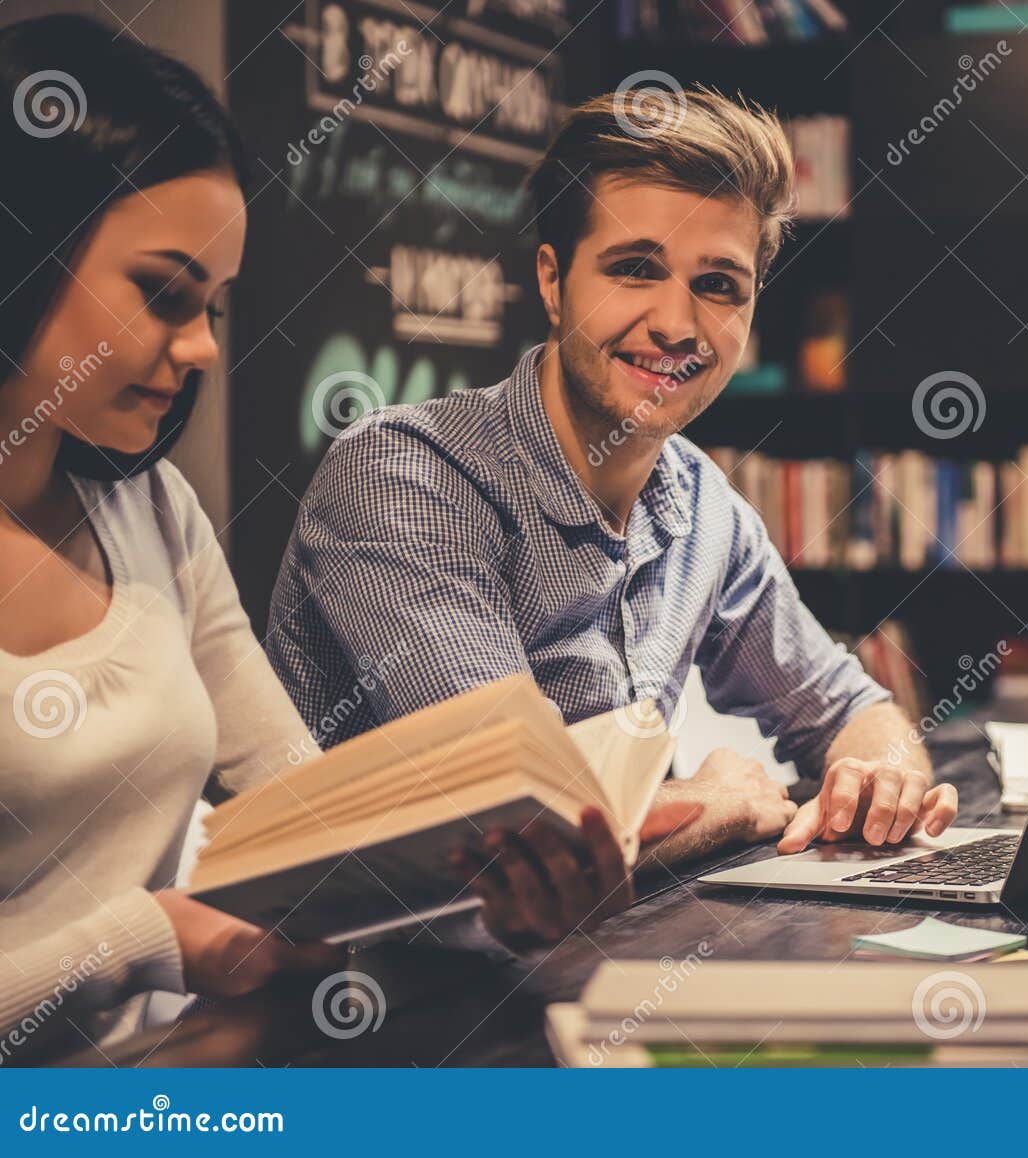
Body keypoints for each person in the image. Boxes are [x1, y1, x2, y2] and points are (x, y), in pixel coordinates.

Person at [0, 16, 695, 1058]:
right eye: (163, 294)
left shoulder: (154, 515)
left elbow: (305, 816)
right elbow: (169, 931)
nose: (200, 349)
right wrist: (147, 939)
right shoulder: (399, 472)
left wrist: (493, 889)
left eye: (215, 308)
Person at [265, 88, 959, 894]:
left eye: (719, 284)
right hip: (372, 967)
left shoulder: (703, 504)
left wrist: (882, 775)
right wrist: (716, 805)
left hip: (600, 950)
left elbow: (850, 708)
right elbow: (522, 831)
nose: (677, 324)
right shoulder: (403, 477)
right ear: (552, 281)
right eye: (635, 269)